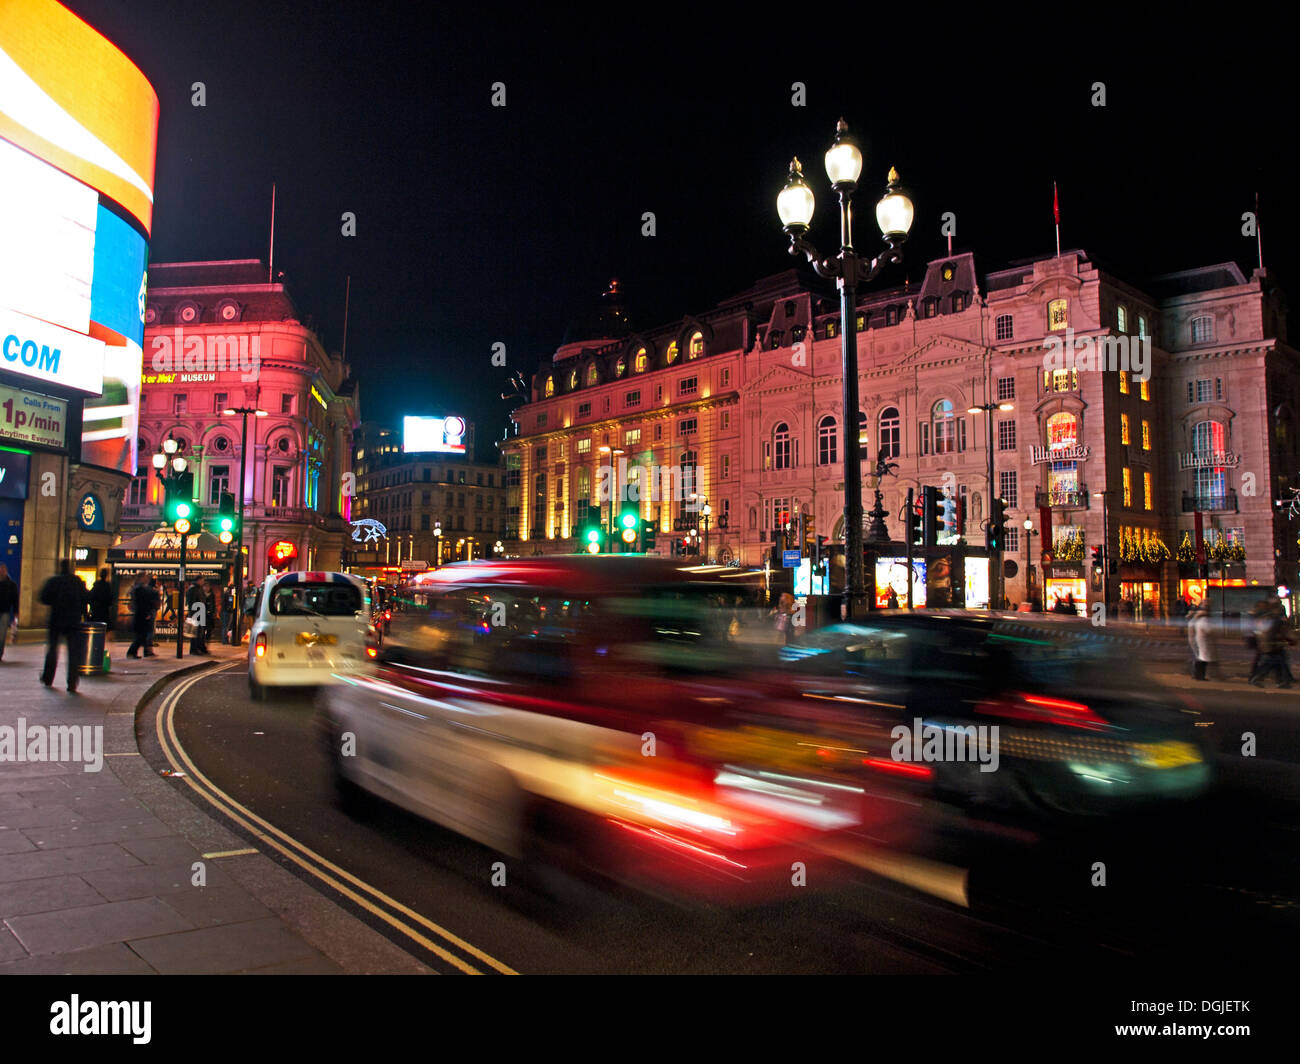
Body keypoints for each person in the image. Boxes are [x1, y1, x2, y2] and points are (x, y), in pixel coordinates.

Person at [39, 560, 88, 692]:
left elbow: (43, 598)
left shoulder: (53, 581)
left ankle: (48, 678)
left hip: (56, 618)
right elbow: (86, 597)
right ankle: (72, 682)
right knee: (73, 652)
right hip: (73, 620)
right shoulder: (77, 581)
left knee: (52, 649)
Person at [1250, 599, 1294, 688]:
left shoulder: (1268, 617)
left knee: (1278, 663)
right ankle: (1257, 679)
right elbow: (1280, 632)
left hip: (1270, 644)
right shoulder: (1275, 618)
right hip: (1272, 645)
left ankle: (1281, 682)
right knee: (1270, 663)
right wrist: (1290, 639)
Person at [126, 574, 159, 658]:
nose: (146, 579)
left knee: (142, 635)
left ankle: (135, 652)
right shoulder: (140, 589)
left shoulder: (138, 588)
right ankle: (132, 652)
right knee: (141, 636)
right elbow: (142, 603)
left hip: (140, 614)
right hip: (141, 615)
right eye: (145, 578)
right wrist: (147, 613)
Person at [1188, 602, 1216, 681]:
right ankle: (1199, 676)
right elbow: (1208, 630)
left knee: (1198, 658)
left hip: (1196, 640)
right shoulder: (1201, 620)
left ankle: (1196, 674)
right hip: (1199, 641)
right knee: (1201, 659)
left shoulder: (1196, 619)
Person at [0, 563, 18, 660]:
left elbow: (15, 599)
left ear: (6, 571)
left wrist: (16, 613)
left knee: (2, 634)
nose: (1, 572)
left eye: (3, 570)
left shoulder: (11, 585)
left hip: (5, 612)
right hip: (4, 611)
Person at [186, 578, 208, 655]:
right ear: (198, 580)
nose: (203, 582)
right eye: (202, 580)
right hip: (195, 613)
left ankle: (199, 648)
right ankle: (194, 649)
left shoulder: (199, 589)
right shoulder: (193, 589)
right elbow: (192, 602)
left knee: (200, 632)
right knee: (195, 632)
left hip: (200, 612)